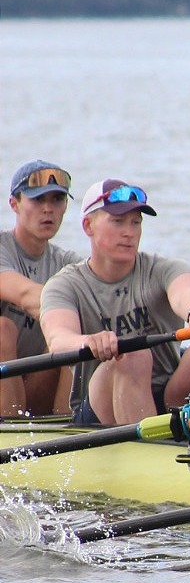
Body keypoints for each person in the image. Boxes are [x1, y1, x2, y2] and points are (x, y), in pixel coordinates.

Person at [40, 179, 190, 425]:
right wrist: (90, 341)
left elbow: (187, 292)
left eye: (136, 222)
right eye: (118, 222)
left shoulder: (164, 269)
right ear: (88, 225)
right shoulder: (64, 285)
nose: (129, 232)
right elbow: (58, 338)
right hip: (99, 410)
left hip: (166, 397)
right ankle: (151, 455)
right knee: (133, 355)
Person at [0, 160, 83, 416]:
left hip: (36, 387)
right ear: (14, 204)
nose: (48, 209)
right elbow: (26, 295)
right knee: (3, 328)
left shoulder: (69, 263)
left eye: (57, 199)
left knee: (74, 340)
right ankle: (10, 429)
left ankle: (69, 429)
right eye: (37, 200)